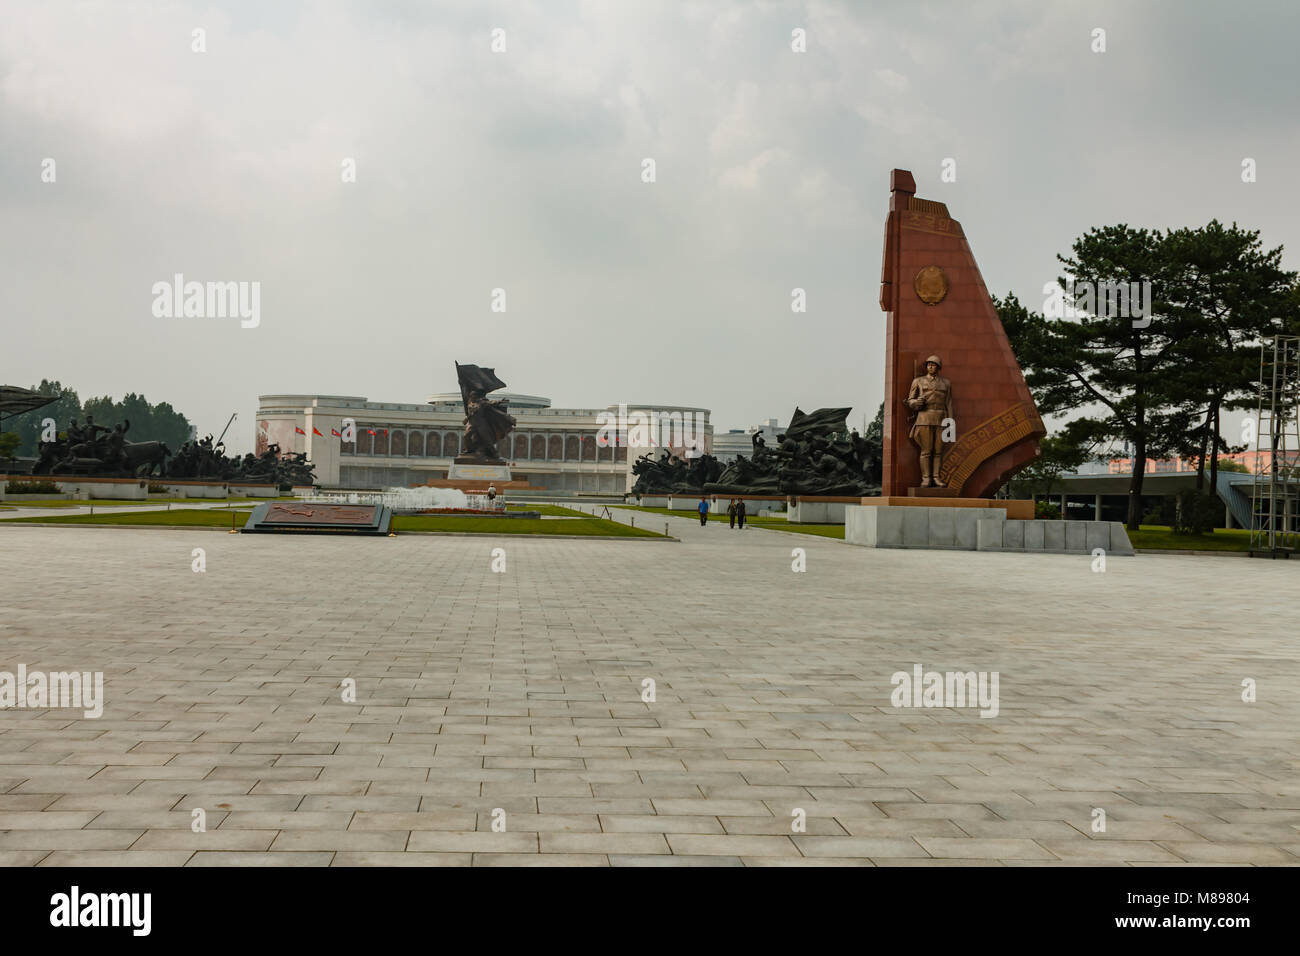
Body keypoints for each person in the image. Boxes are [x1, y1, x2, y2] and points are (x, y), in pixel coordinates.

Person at [906, 353, 954, 488]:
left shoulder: (946, 383)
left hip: (941, 418)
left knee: (938, 451)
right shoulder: (918, 381)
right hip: (924, 418)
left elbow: (949, 403)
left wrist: (950, 423)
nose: (930, 367)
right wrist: (916, 402)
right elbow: (910, 401)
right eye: (928, 365)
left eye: (933, 365)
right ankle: (926, 478)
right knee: (926, 451)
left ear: (938, 367)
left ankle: (936, 477)